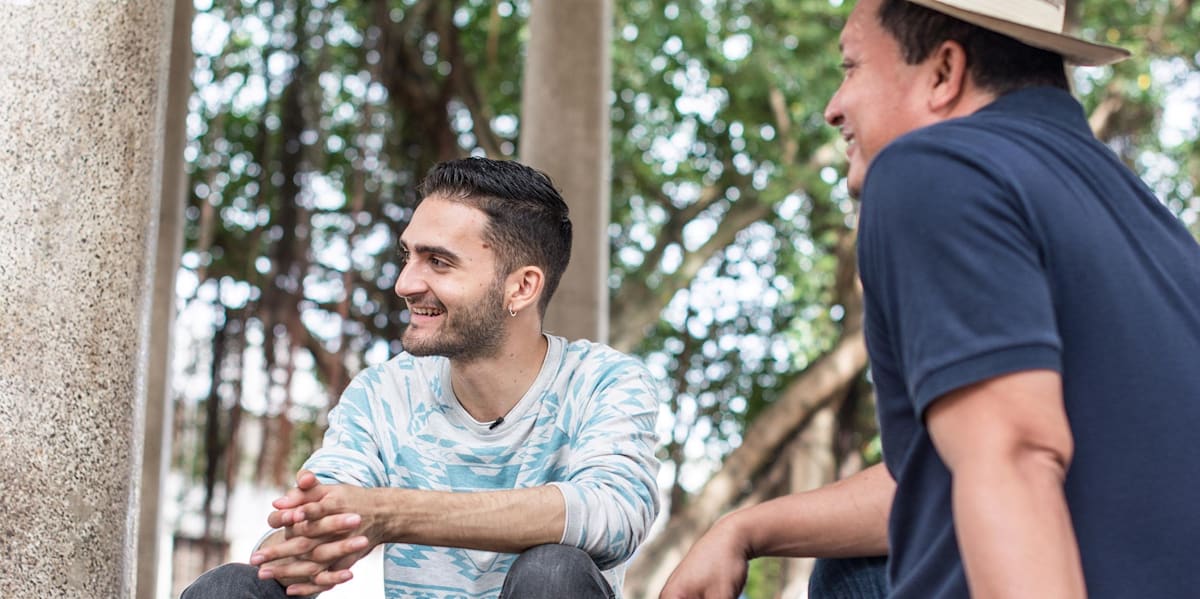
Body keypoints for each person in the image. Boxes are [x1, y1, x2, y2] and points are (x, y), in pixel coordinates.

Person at [662, 1, 1200, 598]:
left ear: (944, 73)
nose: (834, 107)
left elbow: (1013, 456)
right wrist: (744, 528)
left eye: (852, 67)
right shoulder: (1147, 221)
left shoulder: (934, 166)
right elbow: (949, 471)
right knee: (854, 570)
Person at [183, 157, 663, 599]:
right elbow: (327, 512)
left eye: (438, 261)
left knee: (552, 572)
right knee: (226, 588)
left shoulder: (604, 381)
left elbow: (613, 513)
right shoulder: (383, 392)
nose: (405, 284)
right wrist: (308, 538)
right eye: (408, 256)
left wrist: (390, 514)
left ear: (521, 286)